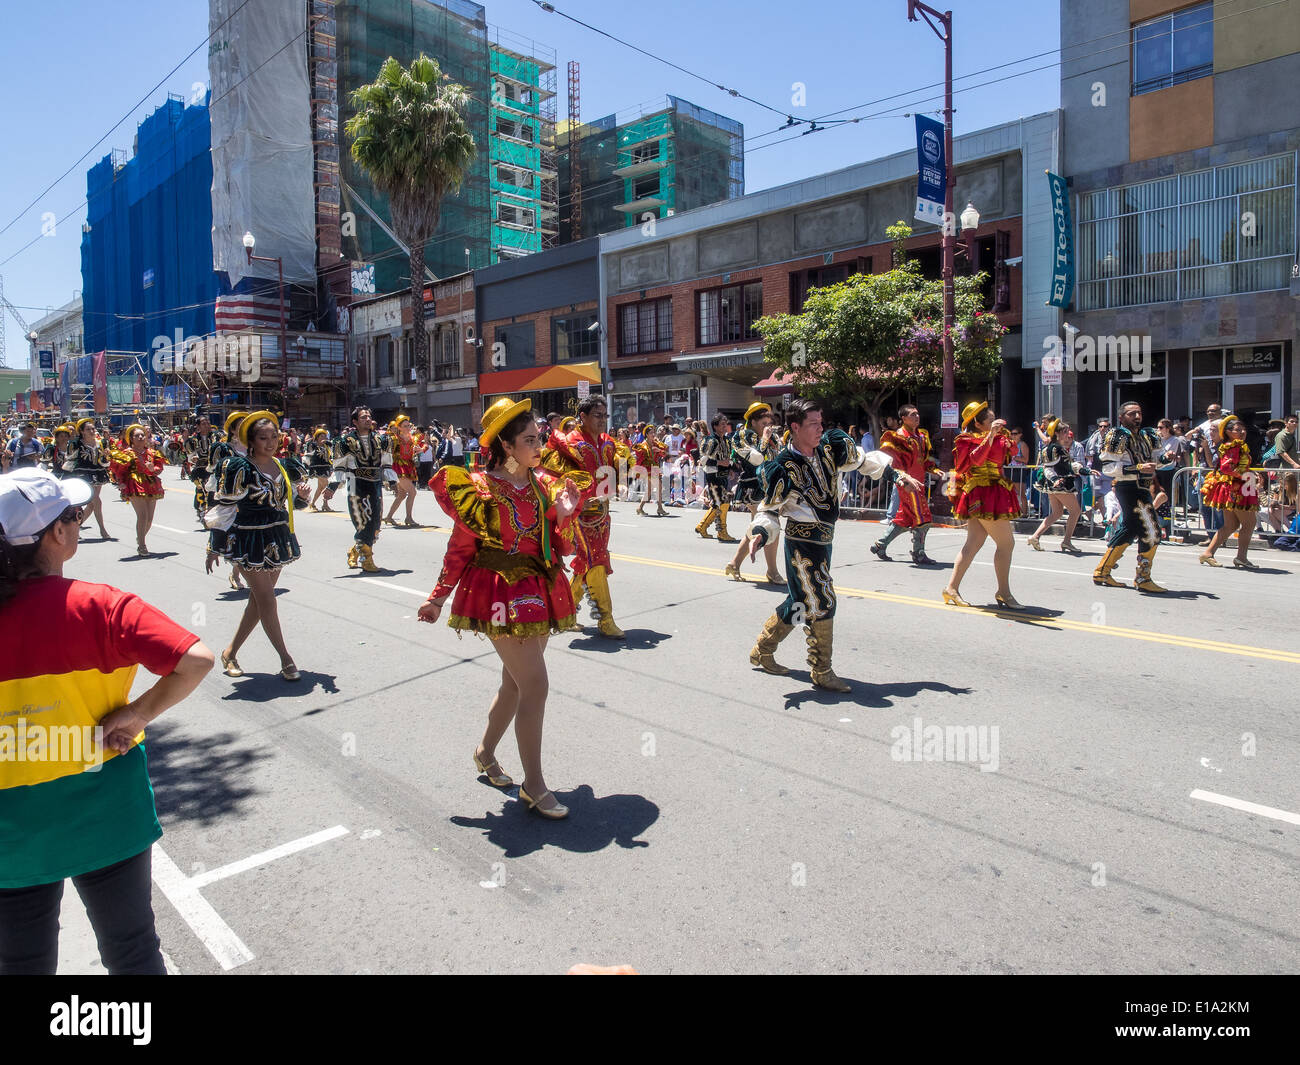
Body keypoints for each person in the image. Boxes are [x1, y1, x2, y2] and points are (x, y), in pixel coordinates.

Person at [0, 468, 214, 974]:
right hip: (108, 817)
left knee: (21, 963)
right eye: (74, 516)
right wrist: (138, 713)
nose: (79, 523)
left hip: (12, 833)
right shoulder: (100, 606)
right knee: (133, 950)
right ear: (56, 534)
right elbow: (197, 660)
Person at [420, 398, 586, 819]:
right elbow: (459, 549)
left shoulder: (545, 484)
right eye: (530, 440)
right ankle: (534, 785)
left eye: (540, 438)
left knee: (515, 684)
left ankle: (484, 752)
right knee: (535, 685)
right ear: (507, 447)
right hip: (497, 594)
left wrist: (564, 516)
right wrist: (439, 597)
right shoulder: (476, 488)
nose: (540, 447)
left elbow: (561, 548)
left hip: (540, 589)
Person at [746, 399, 914, 691]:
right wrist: (760, 532)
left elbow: (863, 462)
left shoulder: (829, 448)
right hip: (801, 543)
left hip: (825, 540)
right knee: (823, 600)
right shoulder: (782, 466)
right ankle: (822, 671)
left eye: (821, 422)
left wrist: (896, 475)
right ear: (795, 427)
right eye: (813, 424)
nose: (820, 429)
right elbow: (769, 510)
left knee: (799, 603)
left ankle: (763, 649)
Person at [207, 412, 306, 680]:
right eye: (263, 437)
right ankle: (286, 658)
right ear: (251, 440)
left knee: (258, 601)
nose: (271, 442)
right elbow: (224, 508)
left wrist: (302, 498)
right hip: (249, 539)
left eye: (274, 436)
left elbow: (287, 503)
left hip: (277, 536)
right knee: (266, 599)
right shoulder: (239, 467)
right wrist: (214, 544)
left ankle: (230, 652)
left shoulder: (283, 465)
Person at [541, 396, 632, 638]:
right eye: (597, 415)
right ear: (583, 417)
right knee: (597, 560)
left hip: (603, 512)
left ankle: (566, 615)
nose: (603, 420)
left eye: (605, 416)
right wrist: (577, 500)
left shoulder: (608, 442)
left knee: (587, 561)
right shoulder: (569, 443)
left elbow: (619, 467)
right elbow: (554, 479)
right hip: (580, 515)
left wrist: (620, 483)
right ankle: (605, 618)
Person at [941, 402, 1023, 609]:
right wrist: (991, 436)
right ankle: (1003, 592)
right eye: (990, 421)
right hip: (982, 491)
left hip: (996, 488)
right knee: (1006, 544)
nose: (994, 423)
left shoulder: (998, 436)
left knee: (973, 544)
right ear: (977, 424)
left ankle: (951, 588)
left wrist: (1005, 437)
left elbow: (1012, 452)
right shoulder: (965, 440)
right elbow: (974, 461)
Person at [1092, 401, 1167, 593]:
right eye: (1131, 413)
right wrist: (1138, 468)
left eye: (1139, 413)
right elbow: (1108, 468)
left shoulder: (1147, 435)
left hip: (1143, 487)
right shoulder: (1117, 435)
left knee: (1129, 530)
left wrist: (1168, 458)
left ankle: (1103, 571)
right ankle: (1142, 578)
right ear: (1121, 417)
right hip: (1128, 487)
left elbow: (1158, 461)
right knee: (1152, 532)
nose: (1136, 416)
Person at [870, 405, 943, 565]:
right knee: (923, 518)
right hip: (907, 485)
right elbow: (892, 464)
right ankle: (919, 553)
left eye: (917, 414)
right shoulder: (897, 437)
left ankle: (880, 545)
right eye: (912, 414)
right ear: (903, 418)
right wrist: (903, 479)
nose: (917, 417)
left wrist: (934, 470)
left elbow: (924, 460)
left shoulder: (922, 436)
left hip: (919, 484)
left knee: (904, 518)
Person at [725, 402, 783, 583]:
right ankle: (772, 572)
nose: (768, 427)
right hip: (754, 488)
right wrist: (766, 439)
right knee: (770, 524)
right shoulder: (744, 436)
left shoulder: (770, 438)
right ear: (753, 421)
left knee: (758, 530)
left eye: (769, 423)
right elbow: (757, 459)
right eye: (764, 423)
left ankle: (734, 564)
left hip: (769, 488)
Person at [1198, 415, 1261, 570]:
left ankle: (1208, 553)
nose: (1242, 432)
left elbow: (1234, 466)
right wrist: (1245, 476)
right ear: (1228, 432)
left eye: (1243, 429)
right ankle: (1241, 557)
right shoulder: (1234, 446)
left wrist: (1249, 472)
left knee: (1231, 525)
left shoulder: (1233, 445)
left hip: (1234, 486)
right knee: (1249, 523)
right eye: (1237, 429)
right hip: (1237, 488)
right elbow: (1227, 468)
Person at [334, 406, 390, 572]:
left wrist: (392, 481)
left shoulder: (381, 439)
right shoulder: (345, 441)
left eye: (369, 416)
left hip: (374, 482)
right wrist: (332, 486)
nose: (368, 419)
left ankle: (354, 551)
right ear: (355, 422)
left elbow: (387, 461)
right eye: (363, 417)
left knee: (375, 524)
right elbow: (339, 466)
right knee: (363, 522)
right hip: (355, 483)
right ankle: (367, 560)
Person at [1027, 417, 1085, 553]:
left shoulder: (1050, 447)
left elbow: (1051, 466)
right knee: (1076, 511)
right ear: (1057, 434)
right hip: (1061, 484)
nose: (1068, 434)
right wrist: (1085, 470)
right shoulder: (1058, 448)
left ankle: (1035, 536)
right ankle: (1067, 541)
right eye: (1065, 432)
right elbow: (1061, 467)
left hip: (1053, 484)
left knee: (1057, 513)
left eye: (1068, 431)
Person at [109, 423, 165, 558]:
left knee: (150, 519)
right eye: (137, 435)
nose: (140, 437)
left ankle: (140, 538)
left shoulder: (152, 453)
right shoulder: (126, 453)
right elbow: (119, 471)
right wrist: (121, 483)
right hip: (134, 484)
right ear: (131, 438)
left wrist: (153, 469)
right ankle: (142, 545)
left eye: (142, 435)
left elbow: (159, 468)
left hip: (151, 484)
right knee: (143, 516)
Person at [62, 418, 114, 540]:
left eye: (93, 428)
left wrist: (106, 456)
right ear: (82, 431)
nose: (92, 431)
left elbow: (104, 463)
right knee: (97, 501)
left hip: (98, 473)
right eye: (88, 429)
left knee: (91, 505)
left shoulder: (101, 443)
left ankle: (75, 528)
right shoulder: (76, 443)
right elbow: (69, 458)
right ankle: (102, 529)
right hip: (83, 474)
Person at [695, 412, 739, 542]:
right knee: (723, 503)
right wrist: (720, 463)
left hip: (723, 476)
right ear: (715, 426)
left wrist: (729, 468)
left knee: (718, 503)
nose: (725, 427)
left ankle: (702, 526)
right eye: (722, 424)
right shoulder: (710, 440)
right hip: (713, 475)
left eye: (726, 424)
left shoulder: (726, 440)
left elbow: (728, 458)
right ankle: (721, 531)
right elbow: (702, 460)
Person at [384, 415, 424, 528]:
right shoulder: (394, 439)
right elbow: (385, 452)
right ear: (399, 427)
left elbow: (425, 444)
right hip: (398, 467)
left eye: (409, 426)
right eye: (405, 426)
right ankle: (408, 518)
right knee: (412, 492)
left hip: (409, 467)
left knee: (401, 495)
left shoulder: (413, 438)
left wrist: (421, 449)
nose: (408, 428)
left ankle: (389, 516)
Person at [184, 414, 220, 525]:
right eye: (204, 423)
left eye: (208, 423)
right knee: (202, 490)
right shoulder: (192, 441)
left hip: (214, 468)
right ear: (198, 426)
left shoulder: (217, 436)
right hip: (200, 470)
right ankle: (202, 511)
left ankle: (213, 511)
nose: (207, 425)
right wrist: (193, 458)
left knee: (214, 491)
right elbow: (190, 456)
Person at [633, 424, 668, 517]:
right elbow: (639, 457)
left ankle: (640, 508)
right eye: (651, 433)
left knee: (649, 490)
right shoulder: (643, 446)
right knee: (659, 487)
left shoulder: (656, 444)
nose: (653, 434)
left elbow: (665, 454)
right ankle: (660, 508)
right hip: (647, 469)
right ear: (647, 434)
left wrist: (659, 451)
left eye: (654, 432)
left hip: (655, 468)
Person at [305, 428, 335, 511]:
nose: (324, 437)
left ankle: (313, 504)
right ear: (317, 437)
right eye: (321, 436)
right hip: (317, 468)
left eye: (325, 436)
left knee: (320, 488)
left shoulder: (327, 445)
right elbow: (309, 451)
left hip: (325, 467)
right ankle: (325, 504)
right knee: (327, 486)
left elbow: (333, 446)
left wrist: (326, 443)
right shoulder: (313, 445)